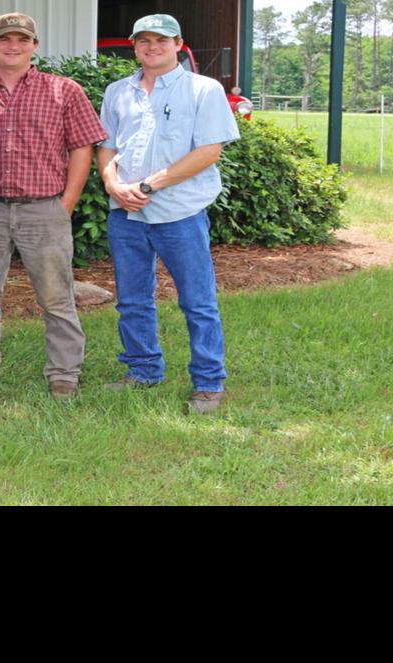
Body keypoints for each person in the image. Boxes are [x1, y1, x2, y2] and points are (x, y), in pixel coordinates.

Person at [97, 14, 241, 415]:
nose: (151, 47)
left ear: (178, 44)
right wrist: (113, 184)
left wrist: (148, 185)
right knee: (132, 300)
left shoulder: (203, 90)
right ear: (134, 45)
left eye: (160, 40)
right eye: (143, 40)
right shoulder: (117, 91)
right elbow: (106, 146)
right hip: (124, 212)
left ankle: (209, 383)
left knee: (197, 302)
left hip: (180, 212)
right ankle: (143, 370)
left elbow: (208, 152)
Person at [0, 12, 107, 400]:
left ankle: (64, 373)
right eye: (5, 39)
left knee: (57, 296)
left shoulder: (64, 90)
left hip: (44, 208)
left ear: (35, 47)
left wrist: (67, 203)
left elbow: (82, 146)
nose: (13, 46)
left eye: (22, 40)